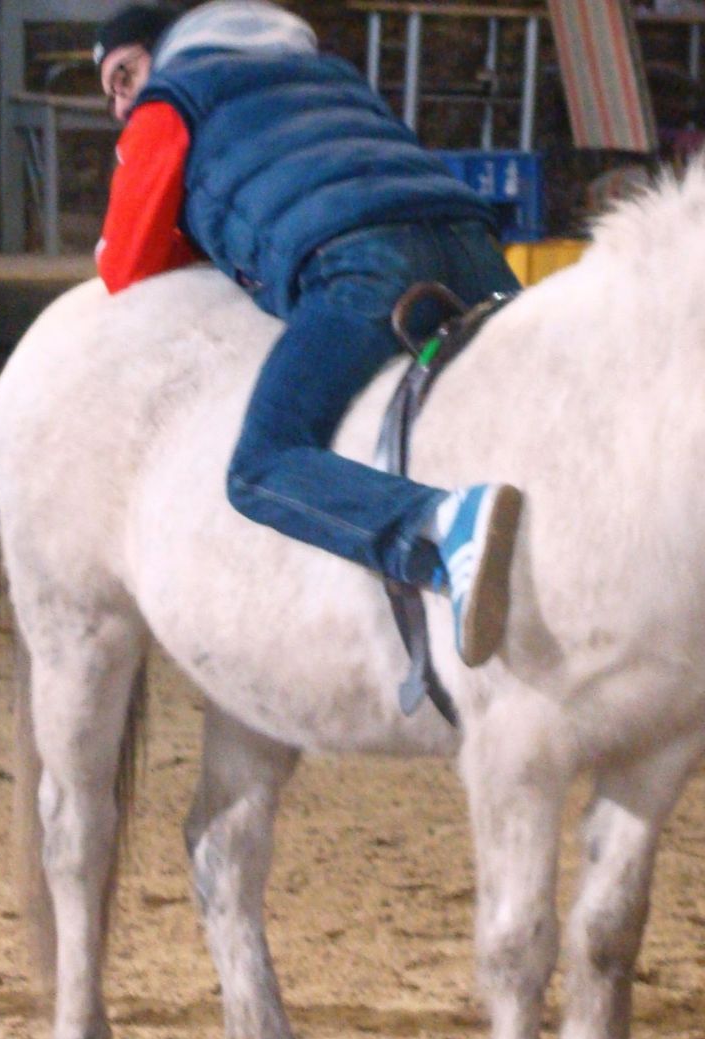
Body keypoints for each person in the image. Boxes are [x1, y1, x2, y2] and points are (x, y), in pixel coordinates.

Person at [91, 0, 525, 667]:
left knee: (264, 464)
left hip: (363, 267)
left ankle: (443, 526)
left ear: (166, 48)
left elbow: (127, 266)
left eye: (124, 76)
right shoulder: (329, 74)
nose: (121, 104)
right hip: (473, 247)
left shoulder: (171, 97)